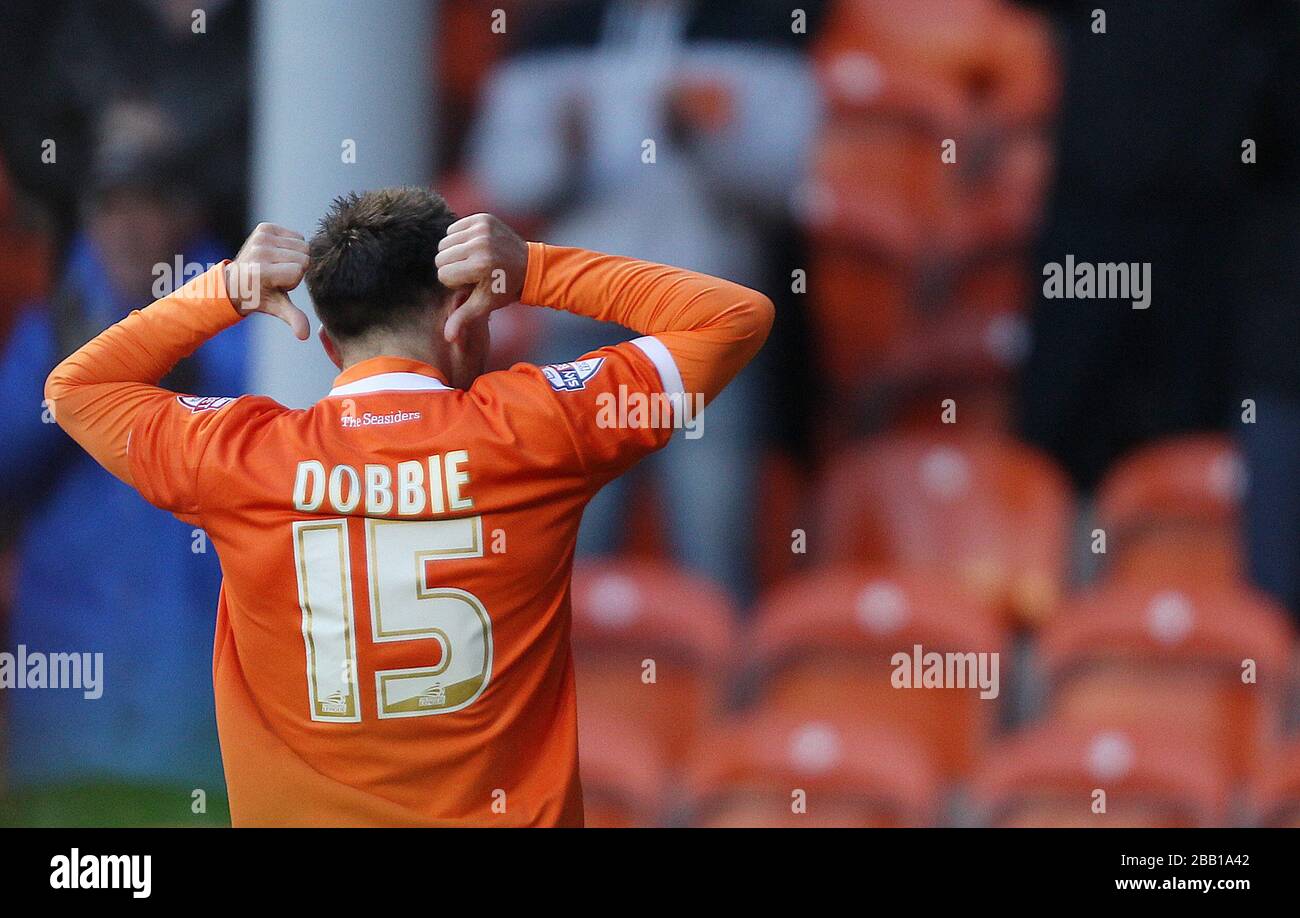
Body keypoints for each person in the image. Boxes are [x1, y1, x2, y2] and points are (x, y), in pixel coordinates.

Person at [44, 187, 773, 826]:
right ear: (464, 313)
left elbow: (76, 390)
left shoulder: (242, 457)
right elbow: (732, 317)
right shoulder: (537, 428)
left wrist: (224, 290)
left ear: (331, 348)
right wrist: (533, 270)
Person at [0, 148, 242, 826]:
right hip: (63, 733)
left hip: (192, 729)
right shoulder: (54, 322)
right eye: (110, 207)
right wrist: (68, 376)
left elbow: (273, 444)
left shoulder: (240, 325)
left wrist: (175, 359)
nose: (128, 226)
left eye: (147, 205)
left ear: (185, 218)